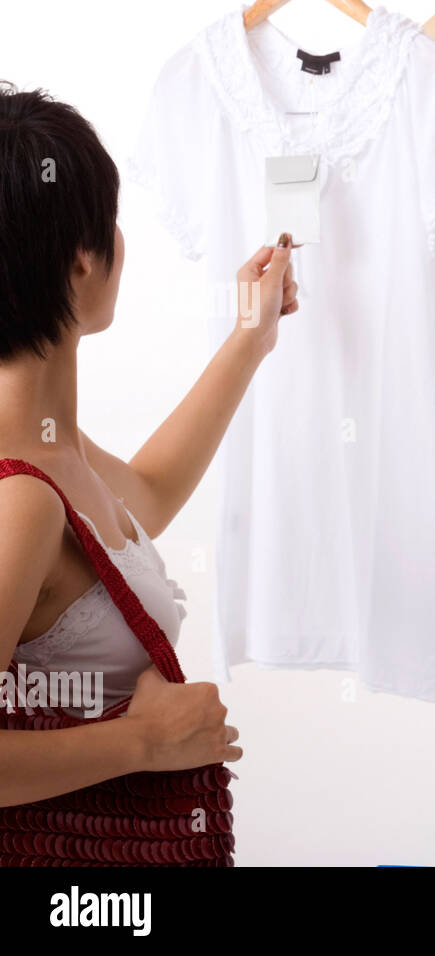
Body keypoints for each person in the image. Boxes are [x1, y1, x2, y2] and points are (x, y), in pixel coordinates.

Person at [0, 82, 297, 806]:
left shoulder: (51, 451)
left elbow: (148, 497)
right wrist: (147, 741)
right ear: (81, 261)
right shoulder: (23, 500)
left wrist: (249, 338)